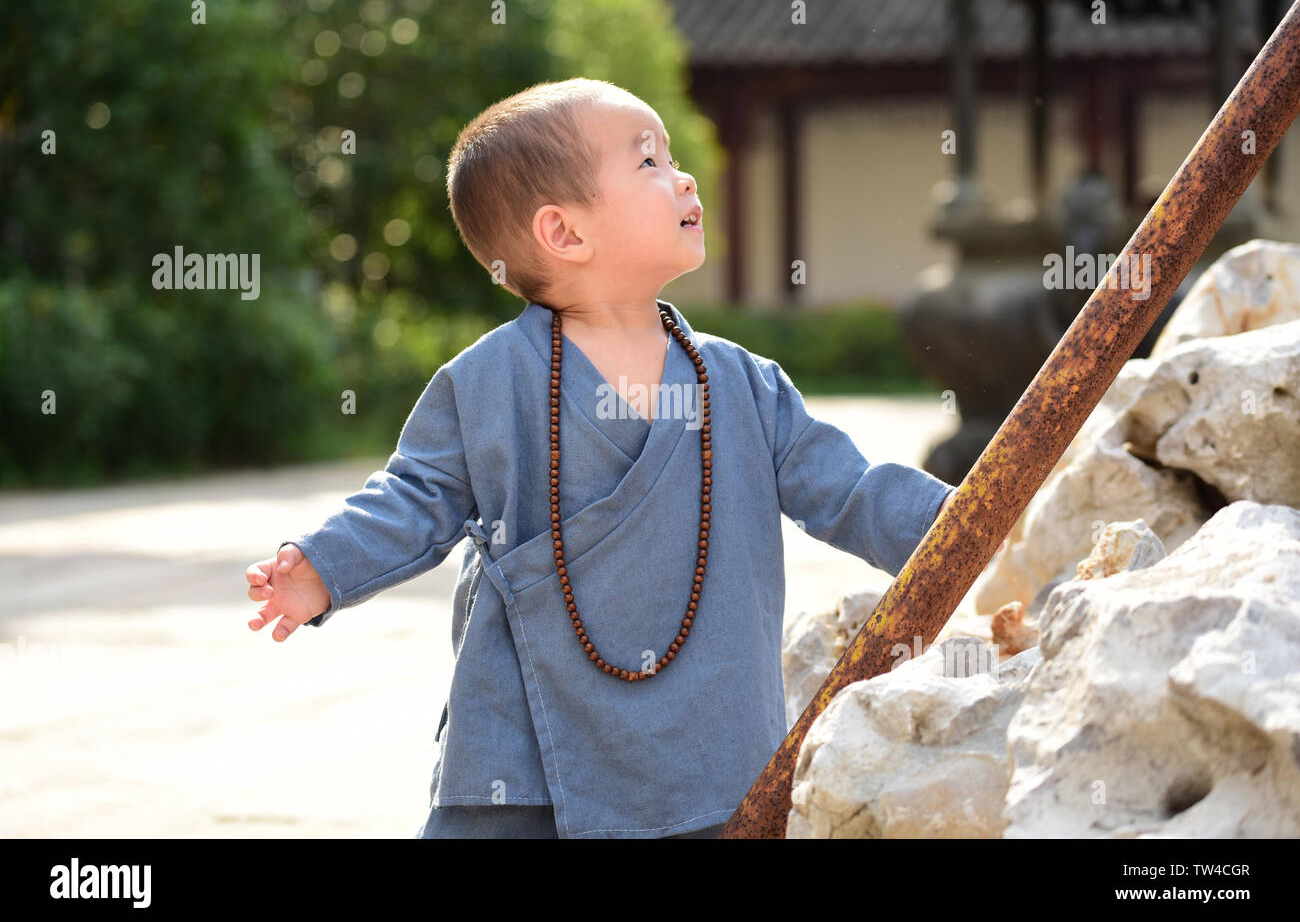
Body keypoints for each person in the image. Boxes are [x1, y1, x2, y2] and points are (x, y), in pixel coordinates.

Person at [244, 77, 989, 839]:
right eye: (649, 161)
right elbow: (414, 498)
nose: (685, 175)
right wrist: (325, 566)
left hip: (708, 745)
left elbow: (849, 491)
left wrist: (970, 516)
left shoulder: (742, 385)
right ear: (564, 233)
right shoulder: (490, 381)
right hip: (524, 762)